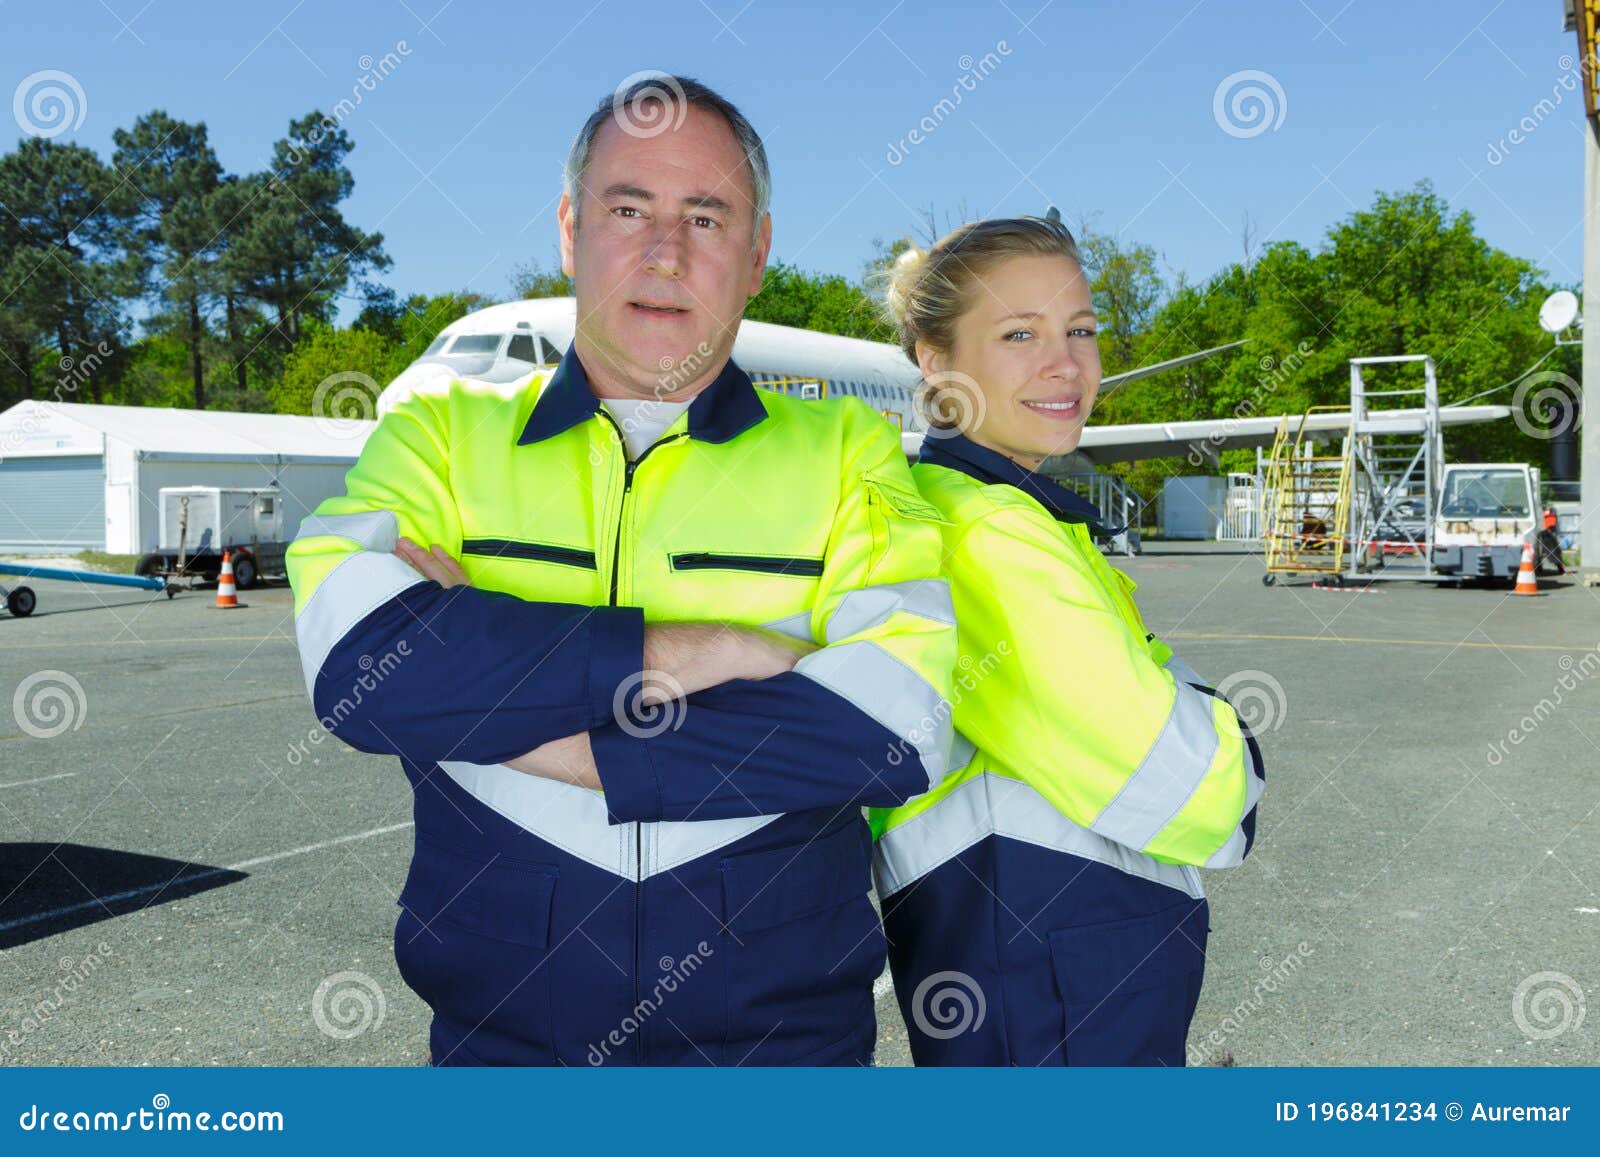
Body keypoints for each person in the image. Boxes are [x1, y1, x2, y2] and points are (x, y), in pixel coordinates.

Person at [285, 75, 961, 1067]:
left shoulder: (847, 449)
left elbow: (899, 726)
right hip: (502, 1047)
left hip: (781, 1050)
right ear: (570, 230)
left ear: (757, 254)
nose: (664, 252)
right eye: (628, 210)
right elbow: (359, 667)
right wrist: (700, 650)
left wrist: (501, 699)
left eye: (706, 216)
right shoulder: (439, 432)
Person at [870, 216, 1266, 1066]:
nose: (1065, 364)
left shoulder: (997, 512)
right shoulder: (987, 534)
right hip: (1050, 981)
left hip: (1044, 962)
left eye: (1080, 330)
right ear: (936, 359)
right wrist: (1231, 736)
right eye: (1020, 334)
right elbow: (1197, 788)